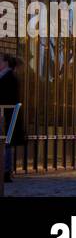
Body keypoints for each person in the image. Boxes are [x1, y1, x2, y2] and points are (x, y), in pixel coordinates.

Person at [0, 54, 24, 183]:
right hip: (7, 115)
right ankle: (6, 171)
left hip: (6, 115)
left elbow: (7, 97)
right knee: (6, 144)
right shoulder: (7, 76)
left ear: (5, 63)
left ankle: (6, 172)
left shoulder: (9, 77)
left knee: (6, 144)